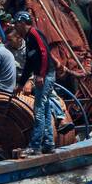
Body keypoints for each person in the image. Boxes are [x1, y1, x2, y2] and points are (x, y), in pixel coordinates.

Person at [12, 11, 56, 156]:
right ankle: (49, 143)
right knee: (45, 109)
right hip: (42, 76)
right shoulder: (28, 39)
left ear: (22, 23)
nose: (15, 27)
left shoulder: (34, 34)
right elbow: (29, 64)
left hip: (45, 76)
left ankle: (35, 146)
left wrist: (41, 74)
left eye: (16, 24)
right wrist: (21, 83)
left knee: (38, 110)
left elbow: (44, 53)